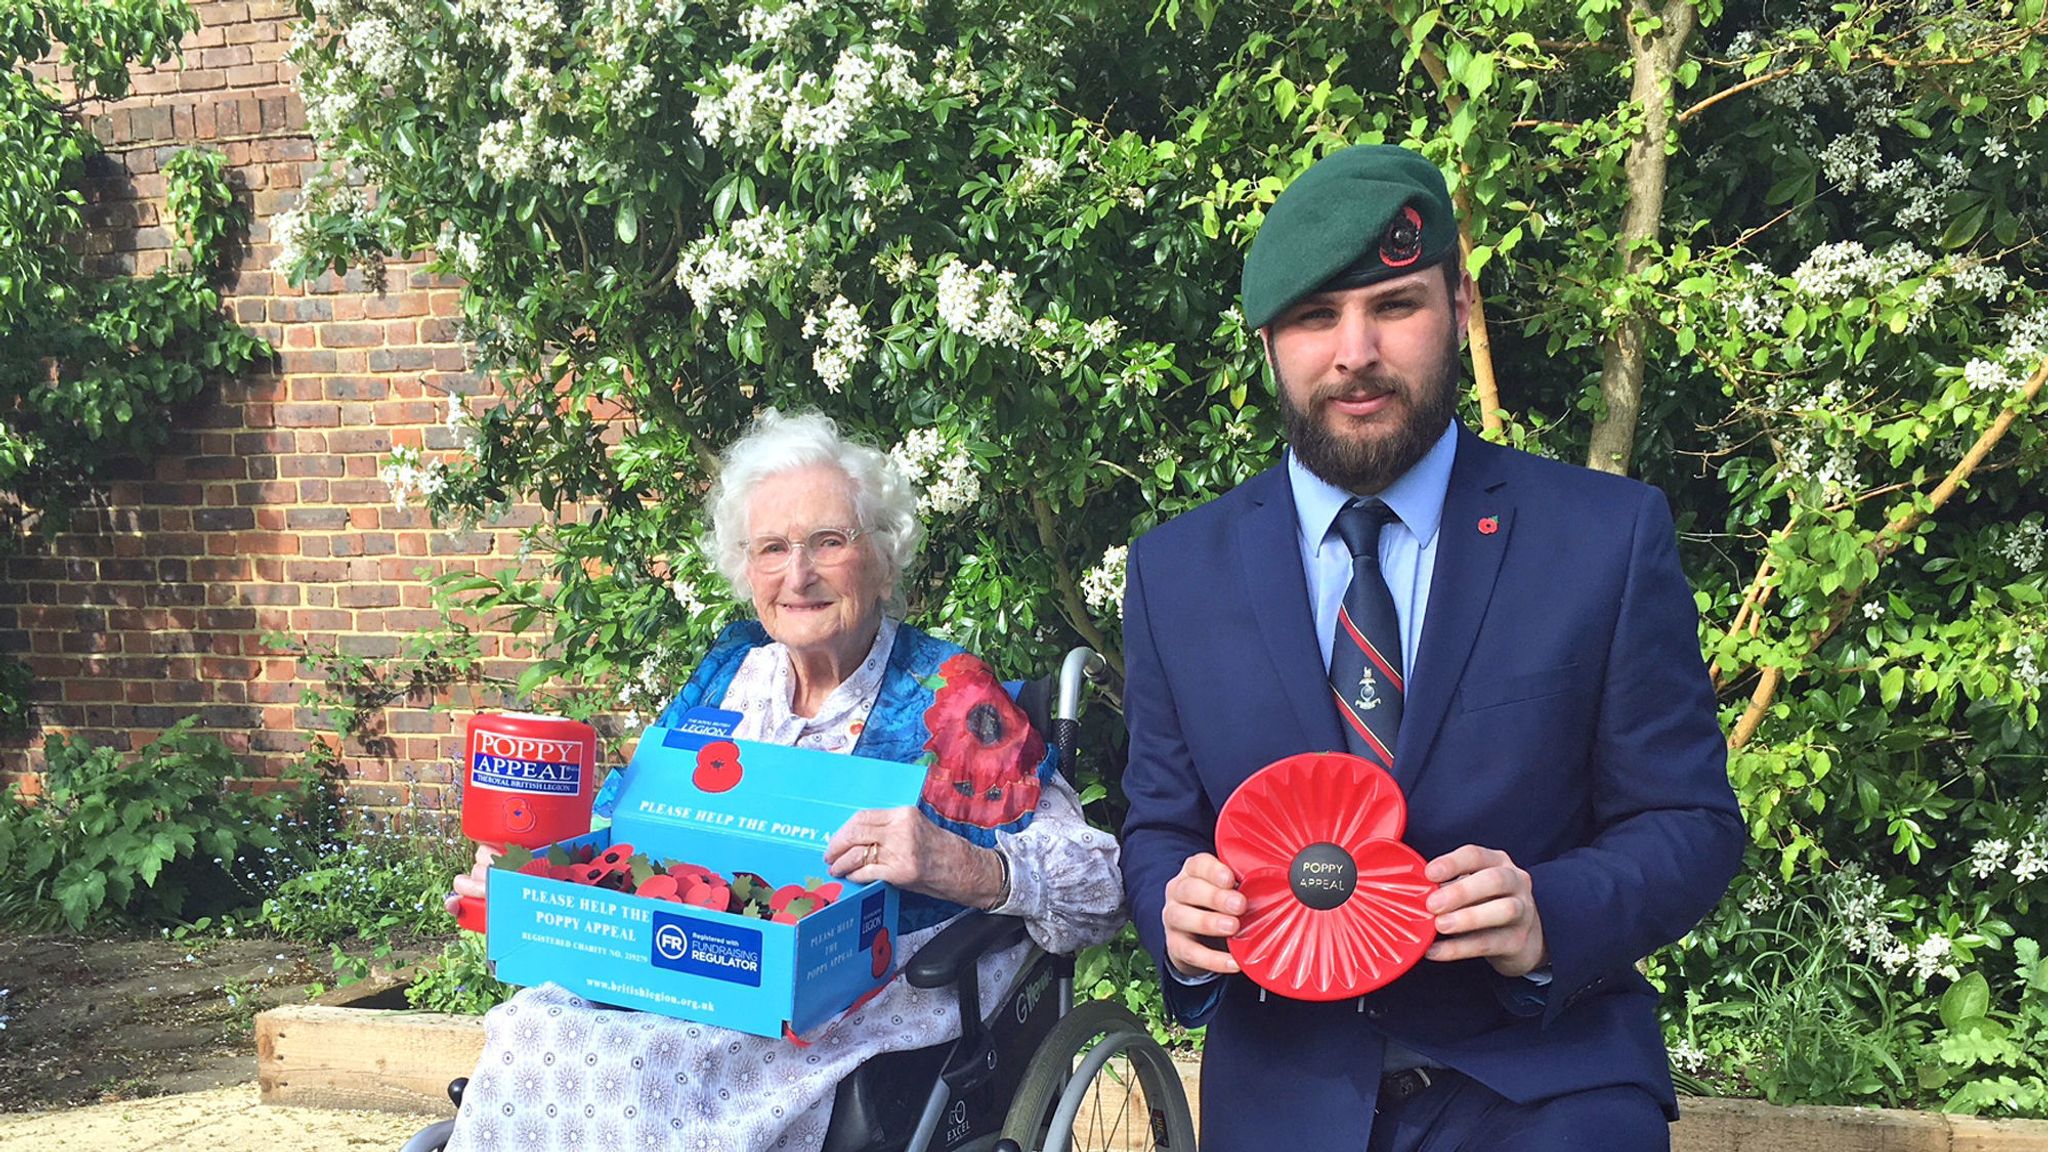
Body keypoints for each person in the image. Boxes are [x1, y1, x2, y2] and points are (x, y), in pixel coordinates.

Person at [1117, 144, 1745, 1151]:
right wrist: (1174, 914)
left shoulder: (1603, 538)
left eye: (1393, 306)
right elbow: (1157, 826)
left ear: (1457, 306)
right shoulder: (1174, 573)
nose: (1353, 351)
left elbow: (1688, 820)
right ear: (1269, 340)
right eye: (1316, 316)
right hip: (1282, 1101)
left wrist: (1547, 911)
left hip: (1546, 1086)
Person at [443, 409, 1123, 1151]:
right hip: (681, 968)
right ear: (747, 569)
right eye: (771, 548)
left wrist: (959, 864)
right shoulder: (729, 676)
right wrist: (528, 876)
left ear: (883, 560)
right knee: (526, 1036)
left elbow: (1099, 889)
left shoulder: (953, 699)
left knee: (640, 1082)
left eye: (828, 542)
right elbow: (620, 835)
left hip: (848, 998)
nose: (797, 575)